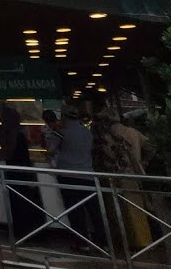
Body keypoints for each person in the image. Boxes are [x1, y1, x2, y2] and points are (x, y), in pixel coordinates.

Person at [92, 107, 151, 249]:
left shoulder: (105, 137)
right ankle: (143, 240)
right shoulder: (132, 131)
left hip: (115, 177)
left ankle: (127, 241)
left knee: (118, 211)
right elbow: (151, 146)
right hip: (133, 175)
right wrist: (143, 162)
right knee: (137, 209)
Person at [53, 105, 103, 252]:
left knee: (75, 212)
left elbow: (51, 150)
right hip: (88, 174)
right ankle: (101, 241)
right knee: (94, 211)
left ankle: (82, 242)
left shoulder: (61, 133)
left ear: (64, 117)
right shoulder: (87, 133)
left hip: (68, 175)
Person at [0, 101, 43, 235]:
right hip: (22, 172)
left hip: (16, 173)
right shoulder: (19, 134)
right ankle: (27, 230)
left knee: (18, 202)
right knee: (23, 201)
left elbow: (7, 153)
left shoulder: (12, 135)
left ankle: (22, 230)